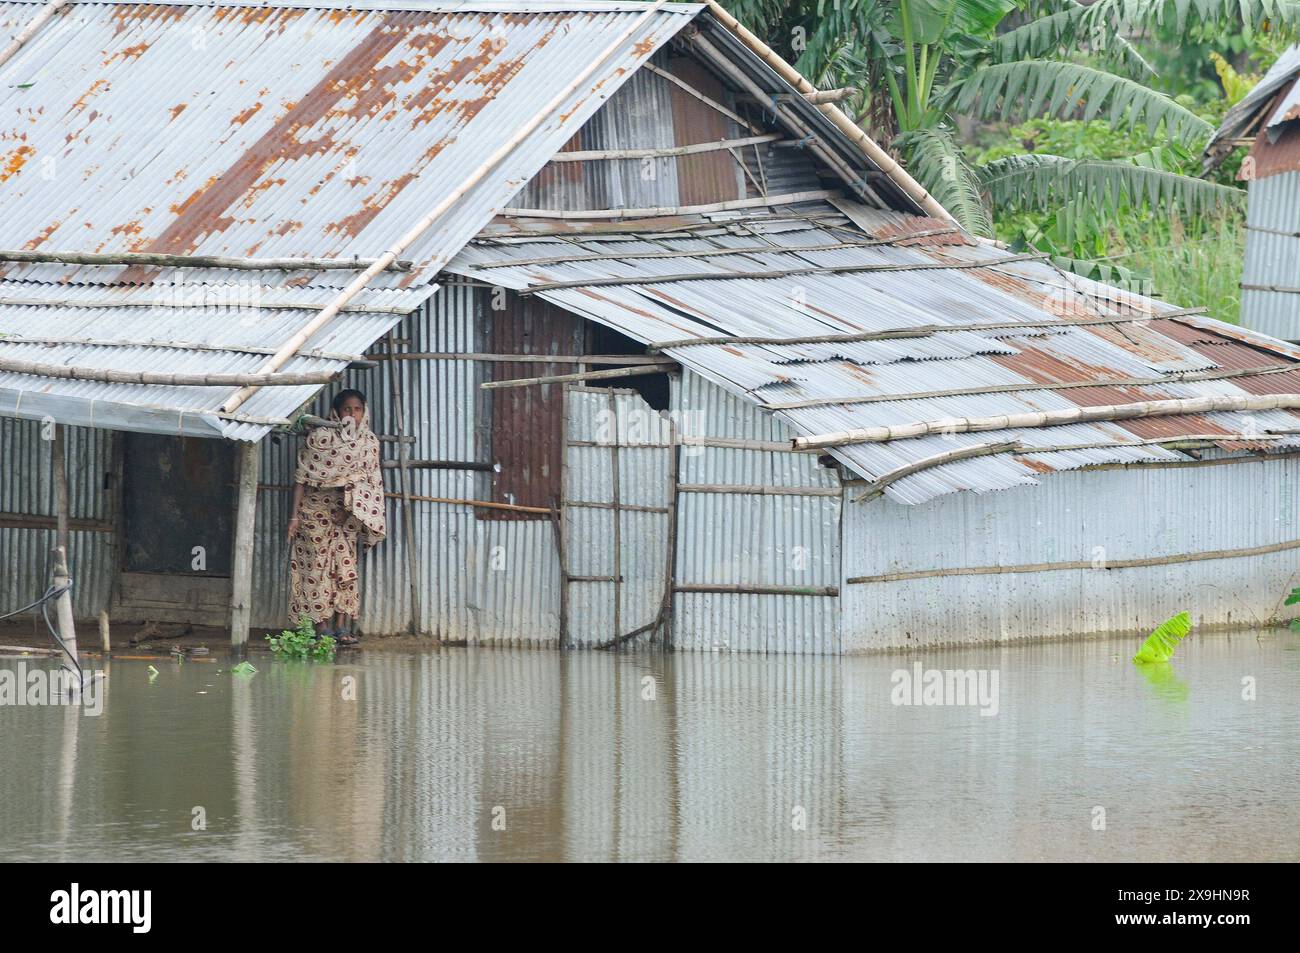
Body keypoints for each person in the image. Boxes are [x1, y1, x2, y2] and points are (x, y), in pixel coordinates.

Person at [286, 389, 386, 645]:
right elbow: (301, 479)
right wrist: (294, 517)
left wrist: (352, 509)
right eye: (346, 409)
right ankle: (321, 627)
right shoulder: (321, 438)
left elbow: (371, 482)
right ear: (335, 412)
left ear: (365, 412)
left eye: (357, 409)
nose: (351, 415)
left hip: (347, 513)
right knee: (315, 568)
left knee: (346, 568)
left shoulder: (369, 442)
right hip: (314, 511)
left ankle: (342, 627)